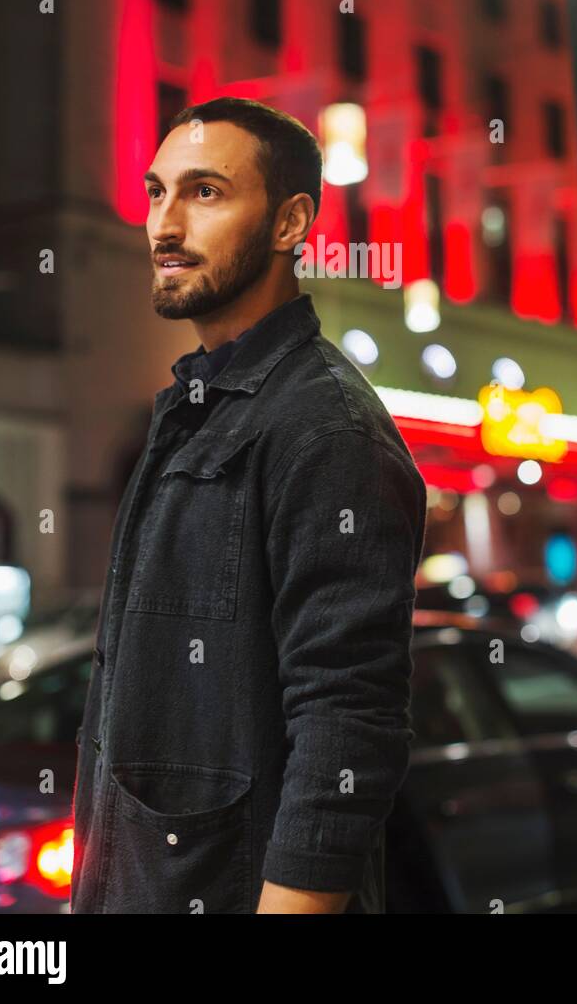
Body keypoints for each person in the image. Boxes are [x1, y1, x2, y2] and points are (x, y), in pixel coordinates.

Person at [70, 96, 427, 914]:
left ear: (290, 222)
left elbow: (349, 718)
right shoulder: (197, 409)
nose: (164, 225)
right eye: (156, 192)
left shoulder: (325, 429)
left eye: (204, 193)